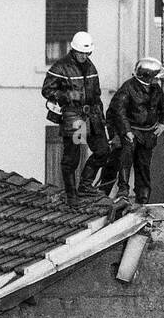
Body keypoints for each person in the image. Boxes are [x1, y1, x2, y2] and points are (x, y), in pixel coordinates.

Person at [42, 31, 114, 208]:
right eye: (81, 53)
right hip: (76, 118)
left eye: (87, 53)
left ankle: (85, 186)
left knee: (103, 151)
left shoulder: (91, 67)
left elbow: (96, 95)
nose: (84, 56)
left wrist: (101, 119)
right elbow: (46, 90)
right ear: (73, 50)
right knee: (72, 157)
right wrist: (67, 95)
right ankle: (71, 194)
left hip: (92, 116)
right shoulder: (61, 67)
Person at [108, 57, 164, 205]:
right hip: (131, 132)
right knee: (125, 161)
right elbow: (118, 111)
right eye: (156, 78)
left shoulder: (156, 89)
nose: (157, 81)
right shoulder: (128, 88)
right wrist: (126, 131)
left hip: (148, 134)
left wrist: (163, 124)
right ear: (148, 77)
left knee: (143, 167)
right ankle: (123, 193)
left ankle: (143, 199)